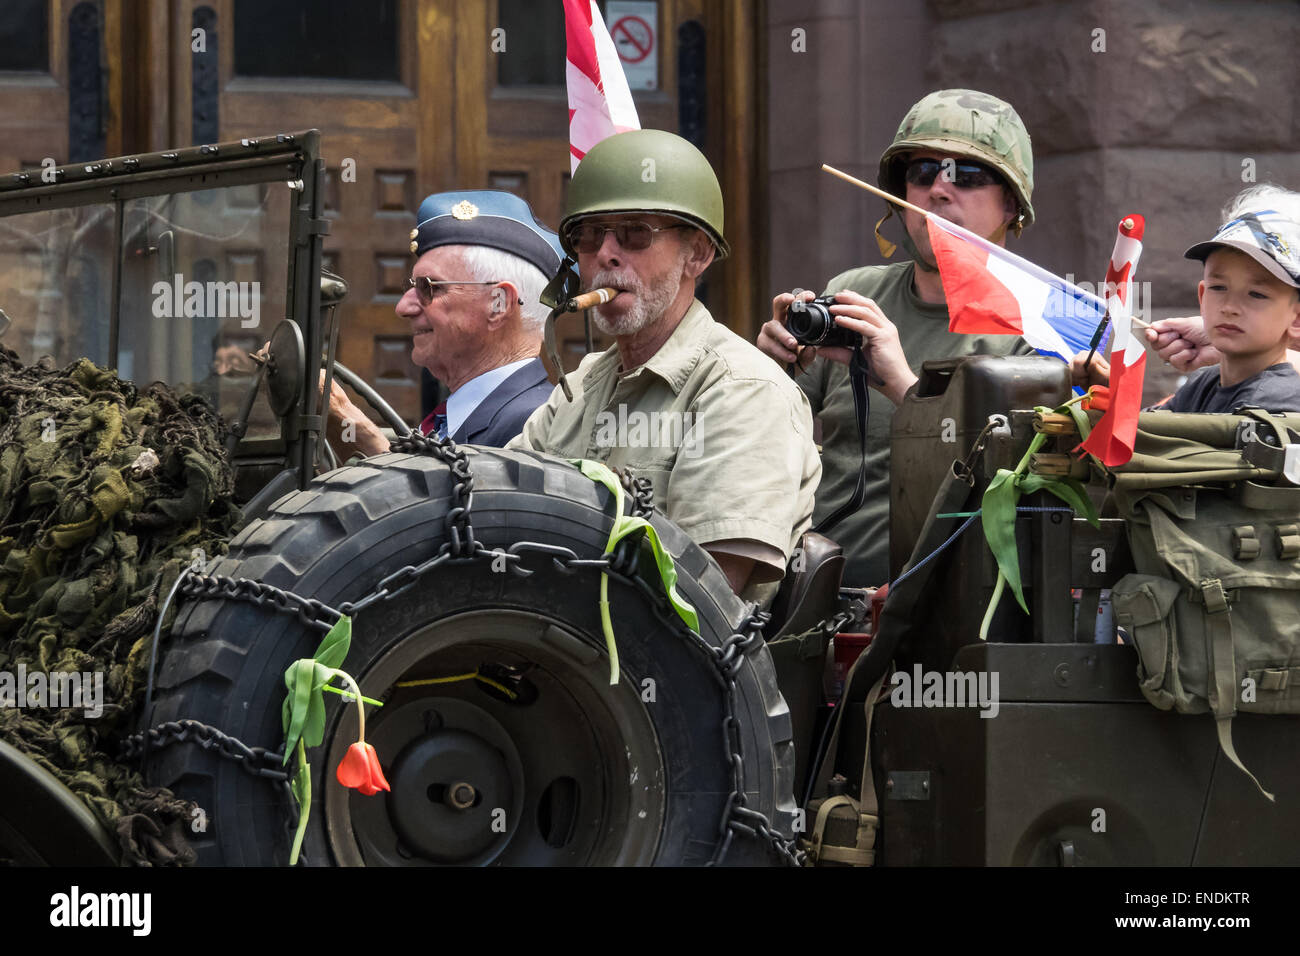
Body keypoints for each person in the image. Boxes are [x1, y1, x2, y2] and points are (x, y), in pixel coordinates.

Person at [507, 129, 821, 601]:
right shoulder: (581, 387)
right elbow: (499, 504)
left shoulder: (743, 389)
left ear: (698, 253)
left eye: (635, 233)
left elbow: (701, 602)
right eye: (589, 236)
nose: (606, 254)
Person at [756, 89, 1037, 587]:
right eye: (922, 173)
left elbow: (1011, 492)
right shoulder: (857, 294)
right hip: (819, 600)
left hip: (950, 608)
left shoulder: (1036, 330)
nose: (939, 191)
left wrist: (906, 390)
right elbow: (764, 452)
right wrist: (772, 373)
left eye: (966, 176)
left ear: (1010, 201)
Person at [322, 189, 561, 456]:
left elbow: (456, 496)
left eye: (429, 288)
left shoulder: (536, 425)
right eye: (411, 286)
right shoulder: (453, 417)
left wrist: (353, 425)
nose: (403, 307)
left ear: (499, 303)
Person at [1073, 185, 1300, 413]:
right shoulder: (1205, 382)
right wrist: (1104, 393)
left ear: (1296, 318)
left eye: (1256, 294)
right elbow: (1147, 434)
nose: (1230, 307)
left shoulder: (1277, 400)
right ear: (1202, 296)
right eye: (1219, 287)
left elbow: (1157, 445)